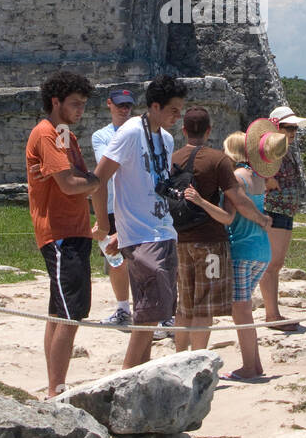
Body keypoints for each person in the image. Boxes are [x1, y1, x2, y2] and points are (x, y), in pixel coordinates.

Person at [25, 70, 109, 398]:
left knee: (59, 312)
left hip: (72, 231)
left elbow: (78, 181)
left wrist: (87, 181)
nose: (80, 110)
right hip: (60, 233)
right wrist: (98, 180)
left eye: (84, 104)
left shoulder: (64, 135)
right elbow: (71, 184)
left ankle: (54, 385)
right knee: (71, 314)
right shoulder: (48, 134)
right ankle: (55, 389)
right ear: (55, 101)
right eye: (75, 103)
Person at [94, 75, 187, 368]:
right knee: (147, 317)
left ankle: (139, 376)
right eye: (173, 109)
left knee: (155, 315)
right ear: (155, 106)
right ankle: (126, 377)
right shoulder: (131, 132)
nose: (177, 116)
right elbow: (98, 180)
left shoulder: (167, 138)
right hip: (143, 236)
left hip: (164, 231)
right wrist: (106, 225)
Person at [169, 106, 237, 353]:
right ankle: (197, 359)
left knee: (184, 304)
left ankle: (178, 356)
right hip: (211, 242)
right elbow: (231, 208)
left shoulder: (172, 159)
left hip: (180, 241)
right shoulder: (219, 160)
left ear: (184, 130)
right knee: (204, 306)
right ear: (209, 131)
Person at [220, 129, 278, 381]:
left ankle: (248, 366)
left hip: (242, 248)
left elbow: (233, 212)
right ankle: (255, 363)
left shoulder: (236, 178)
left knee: (241, 310)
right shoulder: (259, 177)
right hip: (262, 249)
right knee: (244, 307)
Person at [260, 104, 306, 332]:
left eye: (294, 129)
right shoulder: (271, 150)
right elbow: (260, 174)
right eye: (288, 128)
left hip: (284, 208)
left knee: (276, 263)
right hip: (275, 209)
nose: (292, 133)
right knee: (272, 264)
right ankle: (272, 314)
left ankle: (274, 313)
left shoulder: (283, 149)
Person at [89, 88, 136, 326]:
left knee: (140, 258)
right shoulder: (101, 135)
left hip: (135, 203)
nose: (124, 109)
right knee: (116, 260)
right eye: (120, 105)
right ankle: (122, 309)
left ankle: (146, 308)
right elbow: (105, 164)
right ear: (109, 104)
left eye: (128, 105)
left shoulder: (140, 132)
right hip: (111, 205)